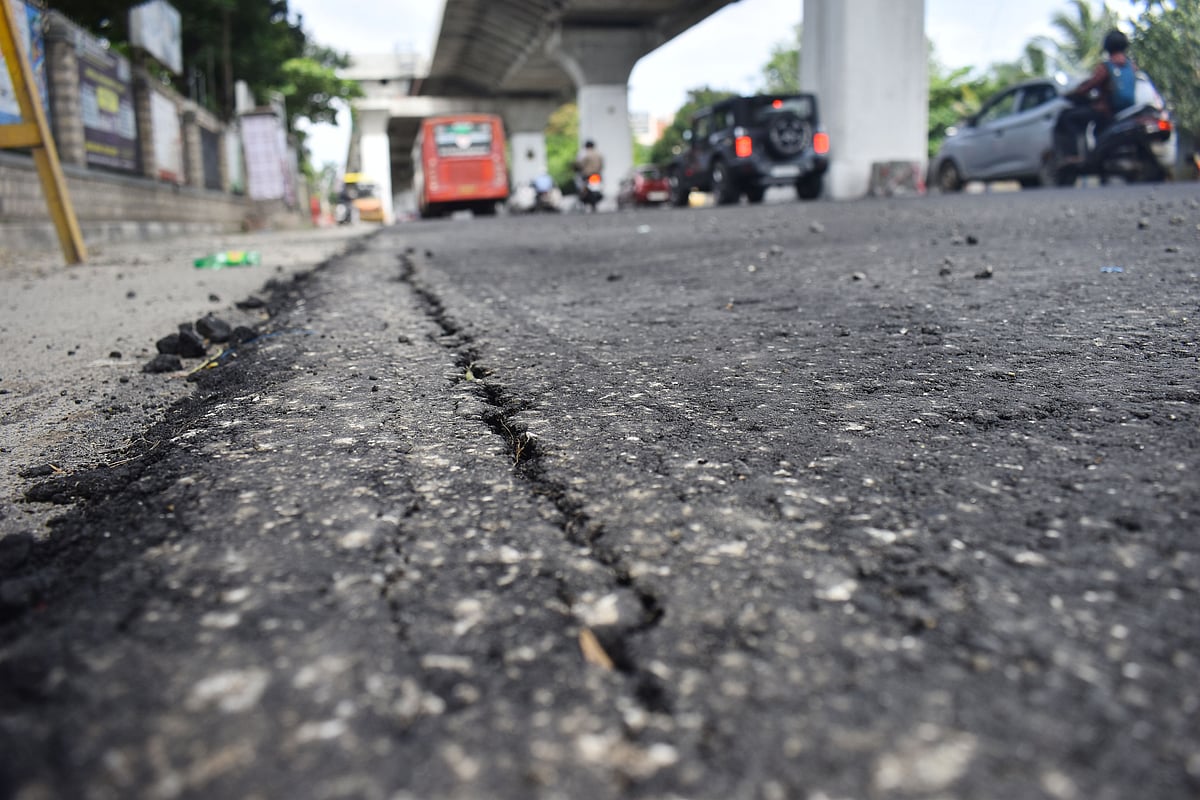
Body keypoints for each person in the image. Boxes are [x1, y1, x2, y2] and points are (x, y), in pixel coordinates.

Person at [1055, 30, 1137, 162]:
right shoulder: (1131, 66)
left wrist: (1076, 92)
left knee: (1068, 117)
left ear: (1107, 46)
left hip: (1106, 111)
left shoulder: (1106, 66)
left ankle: (1075, 155)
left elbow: (1090, 85)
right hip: (1129, 110)